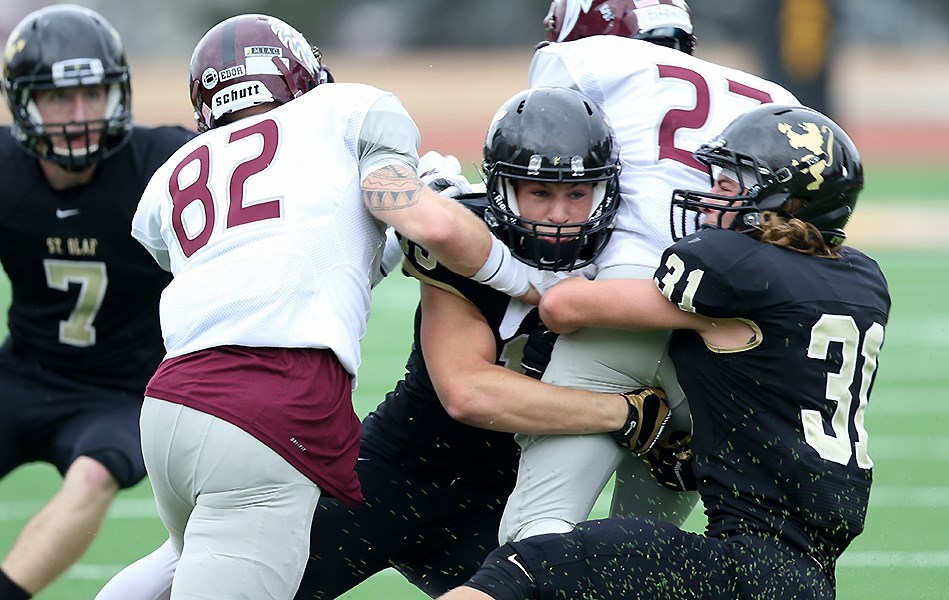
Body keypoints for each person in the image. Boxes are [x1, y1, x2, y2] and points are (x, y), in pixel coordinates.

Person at [96, 85, 680, 599]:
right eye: (538, 194)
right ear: (502, 190)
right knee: (217, 568)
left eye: (576, 195)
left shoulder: (627, 258)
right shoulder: (465, 237)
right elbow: (468, 391)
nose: (558, 215)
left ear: (606, 193)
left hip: (499, 499)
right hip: (392, 475)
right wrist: (625, 416)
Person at [440, 103, 890, 600]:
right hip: (803, 574)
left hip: (742, 565)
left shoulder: (740, 272)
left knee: (523, 568)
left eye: (727, 185)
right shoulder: (862, 279)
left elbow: (566, 307)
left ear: (790, 202)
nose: (709, 198)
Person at [497, 0, 803, 545]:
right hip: (724, 324)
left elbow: (538, 146)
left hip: (622, 303)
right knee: (642, 551)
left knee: (536, 532)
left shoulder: (585, 61)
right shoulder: (777, 98)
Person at [0, 5, 195, 599]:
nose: (79, 116)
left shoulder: (163, 164)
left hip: (125, 390)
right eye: (59, 99)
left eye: (93, 94)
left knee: (92, 476)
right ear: (23, 105)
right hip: (25, 371)